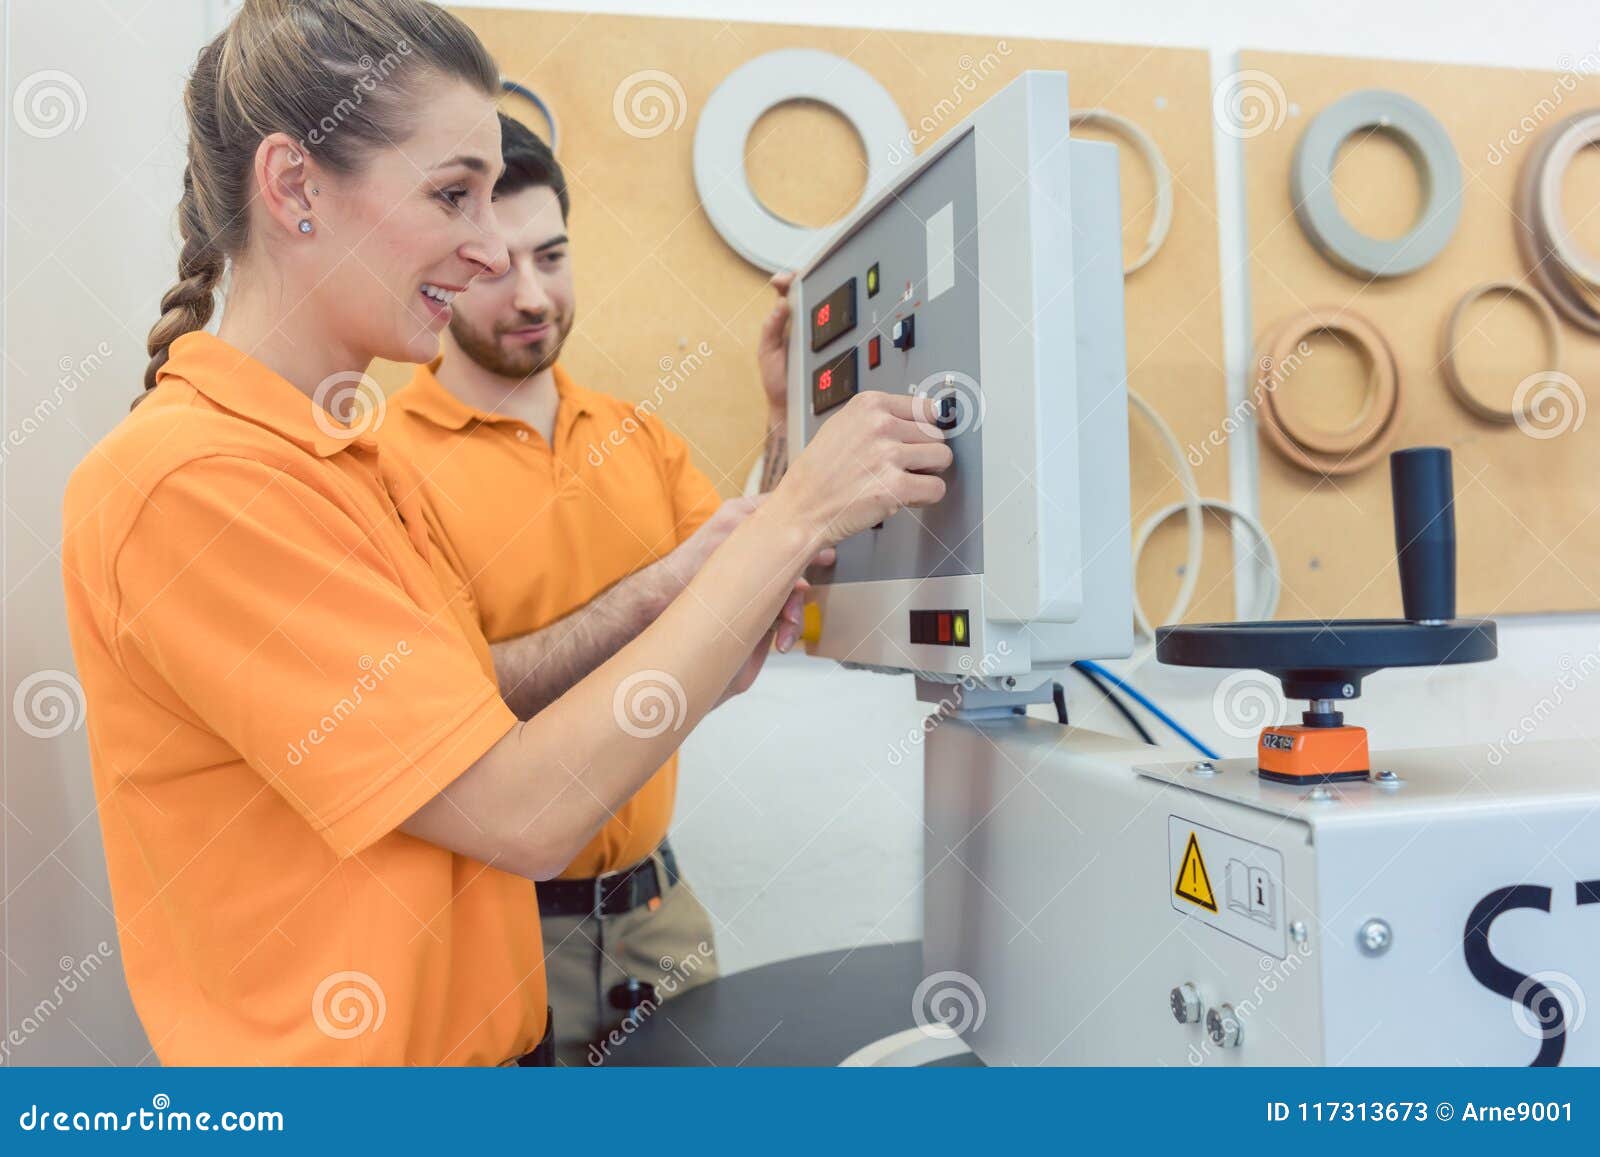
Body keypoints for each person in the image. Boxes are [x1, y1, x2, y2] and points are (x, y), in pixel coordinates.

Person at [59, 0, 950, 1066]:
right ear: (295, 185)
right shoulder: (194, 482)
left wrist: (732, 600)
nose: (490, 254)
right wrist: (793, 512)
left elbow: (478, 724)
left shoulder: (352, 460)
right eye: (453, 196)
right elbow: (523, 809)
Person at [380, 115, 795, 1065]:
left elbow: (756, 598)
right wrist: (657, 592)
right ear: (444, 268)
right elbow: (451, 704)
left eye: (554, 256)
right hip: (494, 934)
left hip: (661, 917)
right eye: (495, 267)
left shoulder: (638, 438)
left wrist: (787, 415)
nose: (533, 296)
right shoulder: (383, 464)